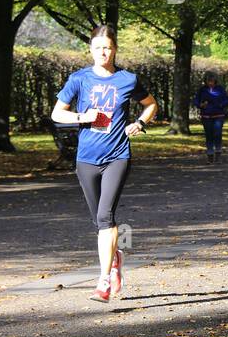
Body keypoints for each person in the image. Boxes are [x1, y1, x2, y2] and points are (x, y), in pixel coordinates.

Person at [51, 25, 158, 303]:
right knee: (98, 221)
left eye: (108, 47)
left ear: (115, 49)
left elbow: (151, 104)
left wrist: (140, 123)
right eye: (98, 47)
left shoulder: (127, 79)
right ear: (90, 49)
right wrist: (83, 117)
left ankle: (103, 282)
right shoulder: (79, 79)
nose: (103, 52)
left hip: (117, 156)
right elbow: (57, 114)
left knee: (105, 217)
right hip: (86, 158)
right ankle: (115, 258)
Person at [192, 73, 228, 163]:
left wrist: (221, 105)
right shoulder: (202, 90)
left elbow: (227, 100)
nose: (210, 83)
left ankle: (218, 154)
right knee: (209, 135)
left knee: (217, 134)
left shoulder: (220, 89)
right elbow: (196, 100)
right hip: (206, 115)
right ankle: (210, 155)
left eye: (212, 81)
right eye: (208, 81)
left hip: (218, 115)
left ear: (215, 81)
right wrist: (200, 105)